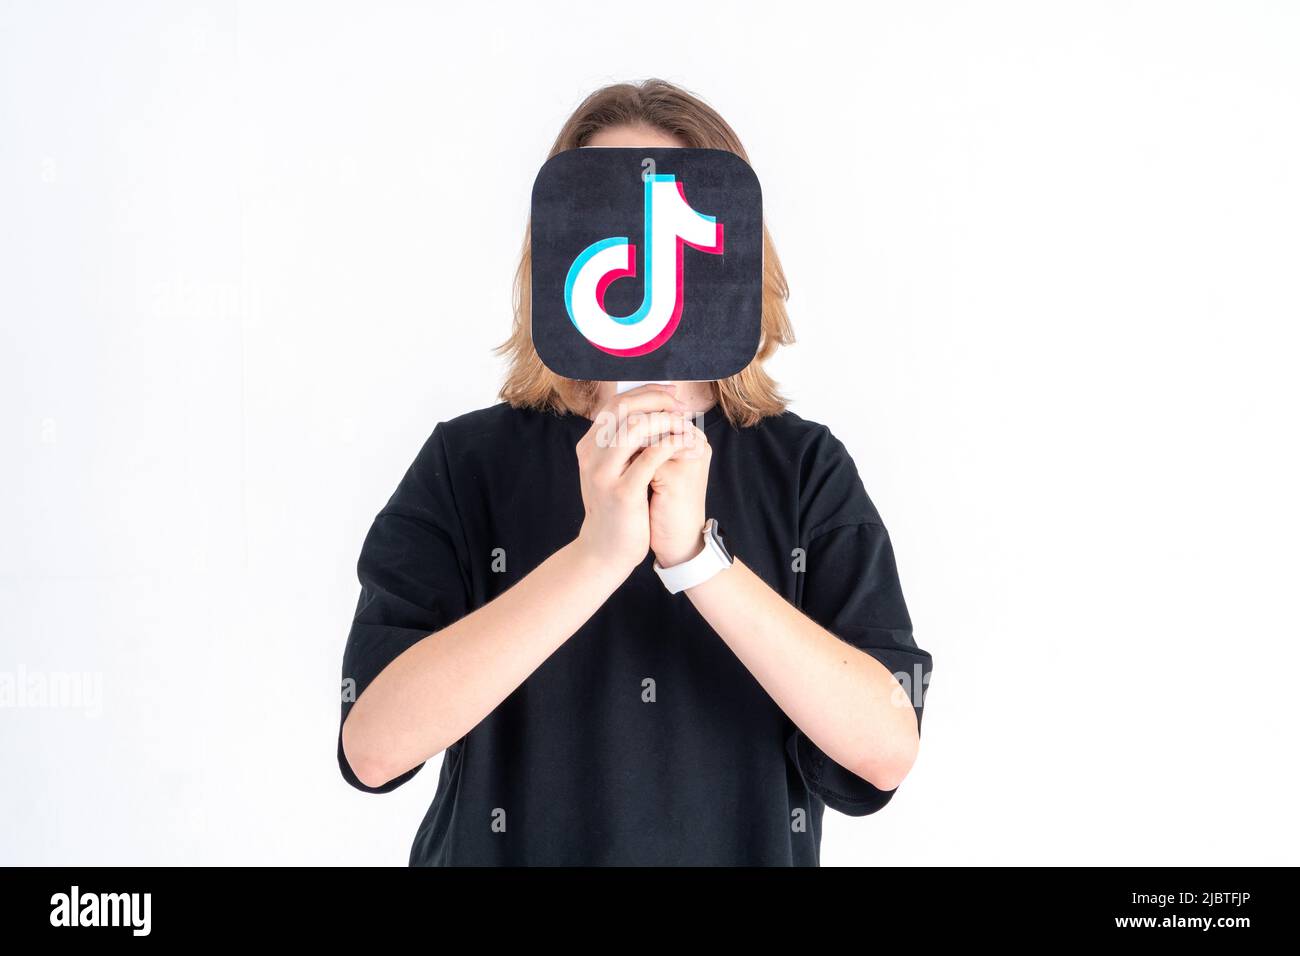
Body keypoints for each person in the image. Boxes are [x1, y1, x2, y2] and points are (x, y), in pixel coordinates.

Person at [337, 78, 933, 866]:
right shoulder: (466, 463)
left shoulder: (806, 470)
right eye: (603, 212)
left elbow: (884, 748)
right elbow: (373, 748)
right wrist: (597, 556)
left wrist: (696, 560)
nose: (639, 244)